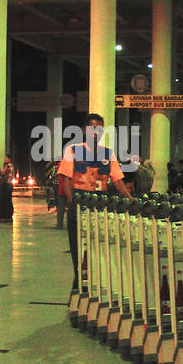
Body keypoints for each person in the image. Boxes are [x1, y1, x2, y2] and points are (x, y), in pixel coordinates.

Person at [59, 112, 132, 290]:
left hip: (100, 204)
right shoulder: (73, 150)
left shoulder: (108, 153)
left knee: (98, 248)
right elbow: (67, 178)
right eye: (92, 128)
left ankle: (94, 288)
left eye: (99, 129)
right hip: (79, 199)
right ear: (84, 130)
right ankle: (79, 286)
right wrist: (70, 199)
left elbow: (117, 180)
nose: (96, 132)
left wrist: (130, 199)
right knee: (78, 249)